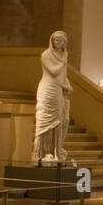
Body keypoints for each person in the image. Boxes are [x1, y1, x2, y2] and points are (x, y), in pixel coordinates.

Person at [32, 31, 72, 162]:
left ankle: (55, 151)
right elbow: (54, 71)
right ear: (52, 41)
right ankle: (42, 153)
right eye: (56, 40)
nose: (59, 43)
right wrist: (63, 61)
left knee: (60, 120)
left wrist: (67, 85)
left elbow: (63, 75)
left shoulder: (64, 54)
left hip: (58, 91)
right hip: (47, 90)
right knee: (46, 123)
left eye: (61, 41)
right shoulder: (46, 55)